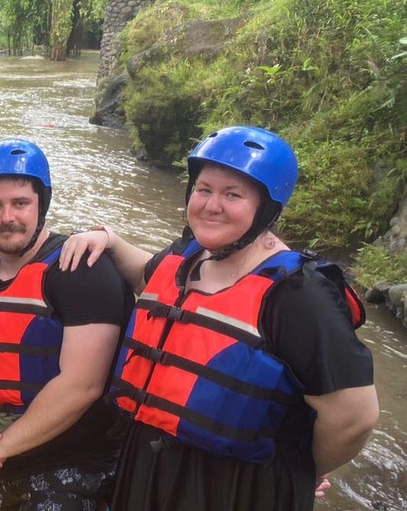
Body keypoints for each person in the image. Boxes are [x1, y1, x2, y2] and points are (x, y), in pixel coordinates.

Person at [57, 125, 379, 511]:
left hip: (237, 487)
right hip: (146, 465)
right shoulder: (188, 255)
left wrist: (297, 471)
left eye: (233, 194)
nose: (211, 205)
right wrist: (108, 239)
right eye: (204, 189)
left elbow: (354, 417)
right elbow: (150, 275)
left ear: (267, 208)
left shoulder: (298, 296)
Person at [0, 138, 134, 510]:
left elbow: (82, 384)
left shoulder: (80, 270)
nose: (7, 217)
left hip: (72, 469)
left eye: (20, 203)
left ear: (41, 203)